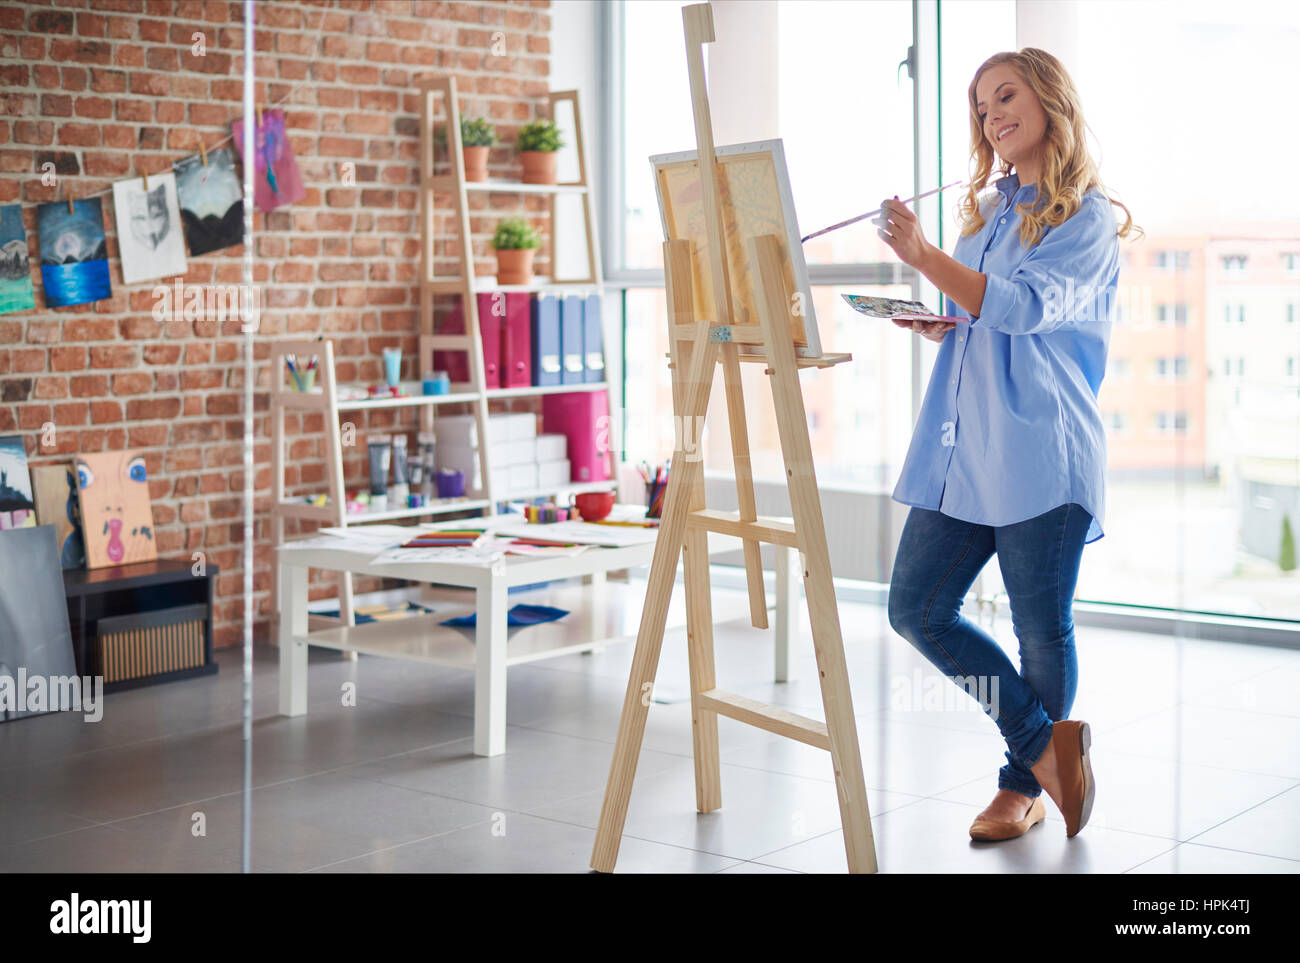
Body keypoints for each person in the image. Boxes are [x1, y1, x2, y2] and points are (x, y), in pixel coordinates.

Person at [873, 47, 1141, 841]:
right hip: (967, 450)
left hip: (1041, 455)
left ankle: (1020, 786)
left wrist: (924, 258)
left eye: (1005, 97)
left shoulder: (1087, 217)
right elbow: (987, 318)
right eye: (982, 108)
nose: (992, 116)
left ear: (1050, 101)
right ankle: (1046, 751)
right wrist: (941, 322)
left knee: (1039, 631)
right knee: (916, 608)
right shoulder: (988, 213)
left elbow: (1023, 310)